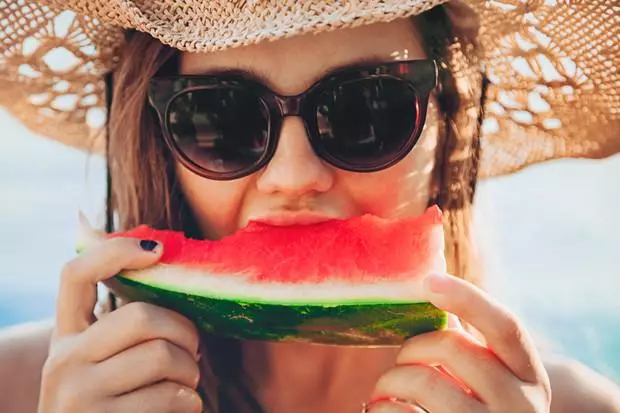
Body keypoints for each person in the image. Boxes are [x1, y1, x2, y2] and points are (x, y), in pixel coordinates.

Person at [1, 1, 619, 412]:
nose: (294, 177)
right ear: (155, 143)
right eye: (218, 117)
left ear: (449, 126)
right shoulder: (18, 387)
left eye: (367, 111)